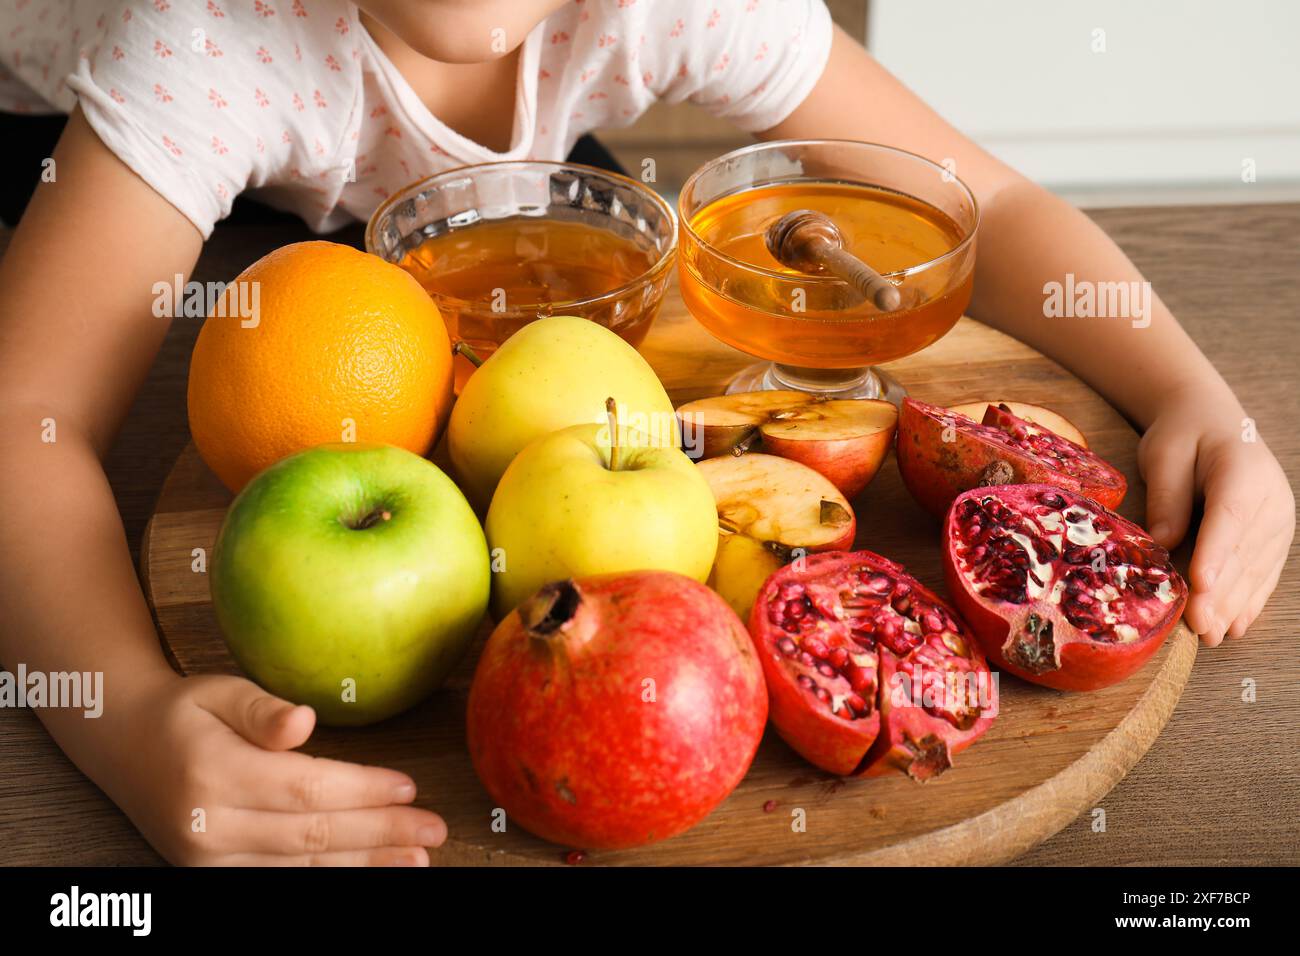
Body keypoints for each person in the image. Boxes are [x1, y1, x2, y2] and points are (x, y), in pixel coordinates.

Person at [0, 0, 1291, 866]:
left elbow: (985, 207)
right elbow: (26, 418)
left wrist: (1195, 394)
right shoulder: (197, 42)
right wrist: (123, 726)